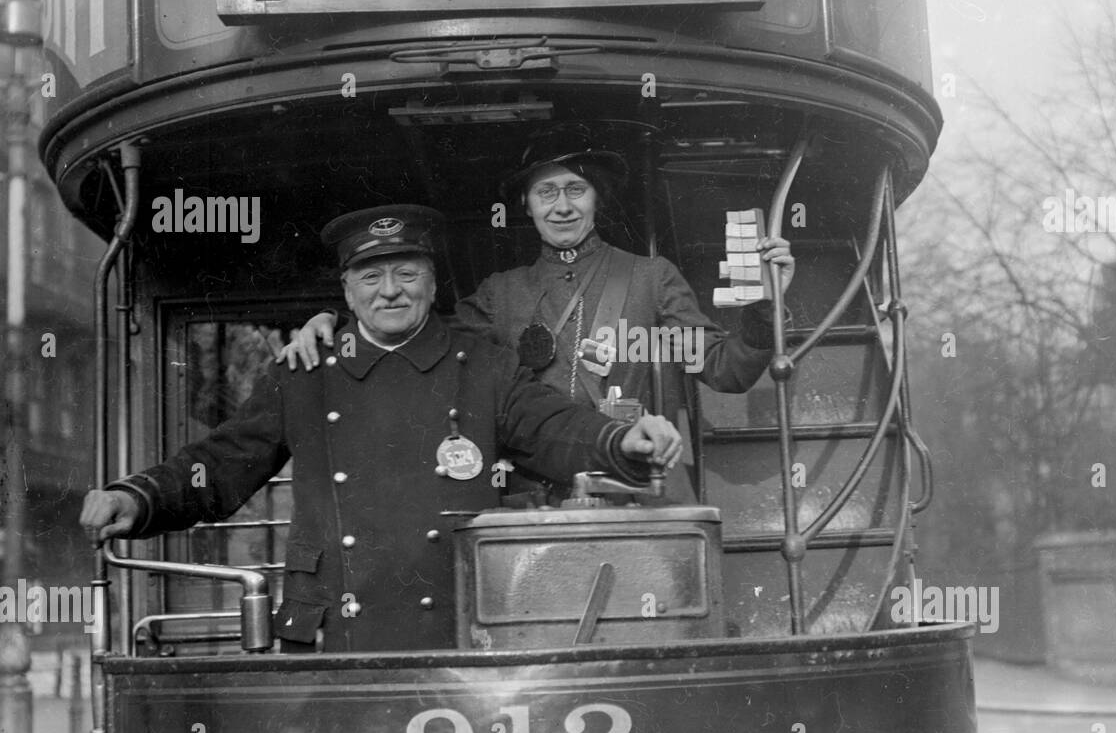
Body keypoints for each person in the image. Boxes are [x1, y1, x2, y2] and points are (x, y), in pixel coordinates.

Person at [79, 204, 682, 653]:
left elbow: (552, 425)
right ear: (346, 289)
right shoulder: (306, 373)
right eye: (370, 277)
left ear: (432, 282)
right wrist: (141, 497)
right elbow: (223, 461)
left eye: (406, 273)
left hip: (455, 632)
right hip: (332, 638)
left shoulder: (484, 366)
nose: (390, 291)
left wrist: (618, 440)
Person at [278, 124, 794, 499]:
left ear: (597, 200)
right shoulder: (500, 294)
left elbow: (724, 370)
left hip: (628, 486)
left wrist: (767, 306)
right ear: (527, 205)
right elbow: (414, 338)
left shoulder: (649, 278)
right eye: (546, 192)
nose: (561, 206)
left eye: (575, 189)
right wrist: (337, 323)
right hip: (526, 499)